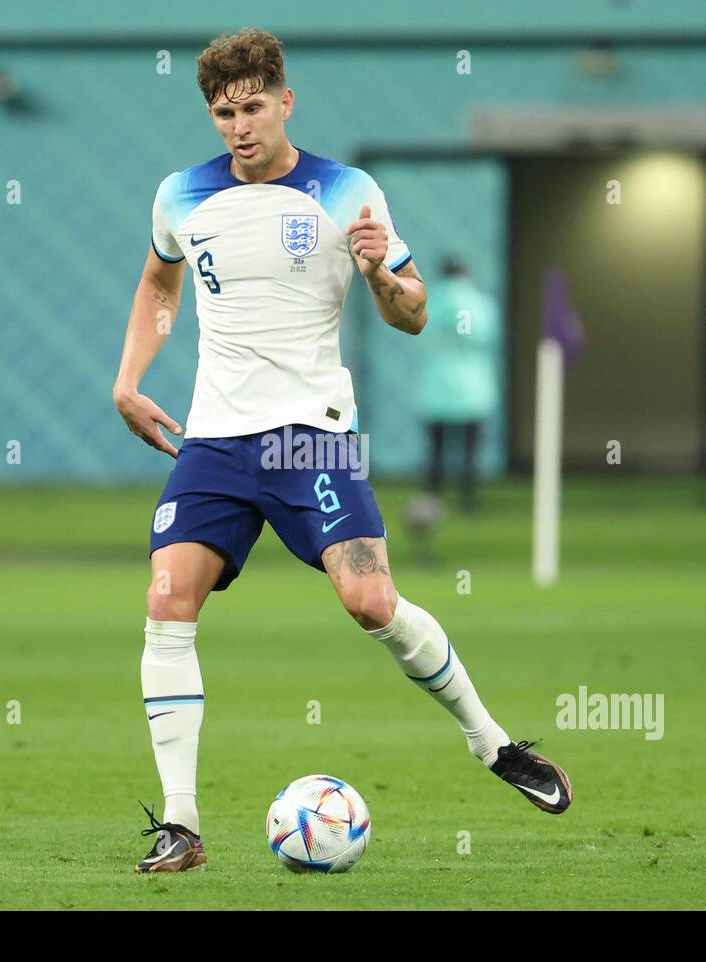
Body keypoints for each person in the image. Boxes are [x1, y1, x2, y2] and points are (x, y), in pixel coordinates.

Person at [112, 28, 572, 874]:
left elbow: (415, 313)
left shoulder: (344, 190)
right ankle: (180, 824)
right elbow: (158, 281)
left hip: (310, 437)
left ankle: (494, 744)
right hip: (214, 439)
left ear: (286, 101)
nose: (239, 126)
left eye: (253, 108)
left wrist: (379, 277)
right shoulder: (180, 195)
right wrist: (129, 377)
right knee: (167, 597)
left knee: (369, 603)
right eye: (223, 113)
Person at [415, 256, 500, 515]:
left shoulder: (429, 300)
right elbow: (488, 336)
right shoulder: (481, 303)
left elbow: (419, 332)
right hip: (472, 385)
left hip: (437, 383)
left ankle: (432, 497)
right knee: (470, 450)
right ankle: (468, 499)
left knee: (436, 450)